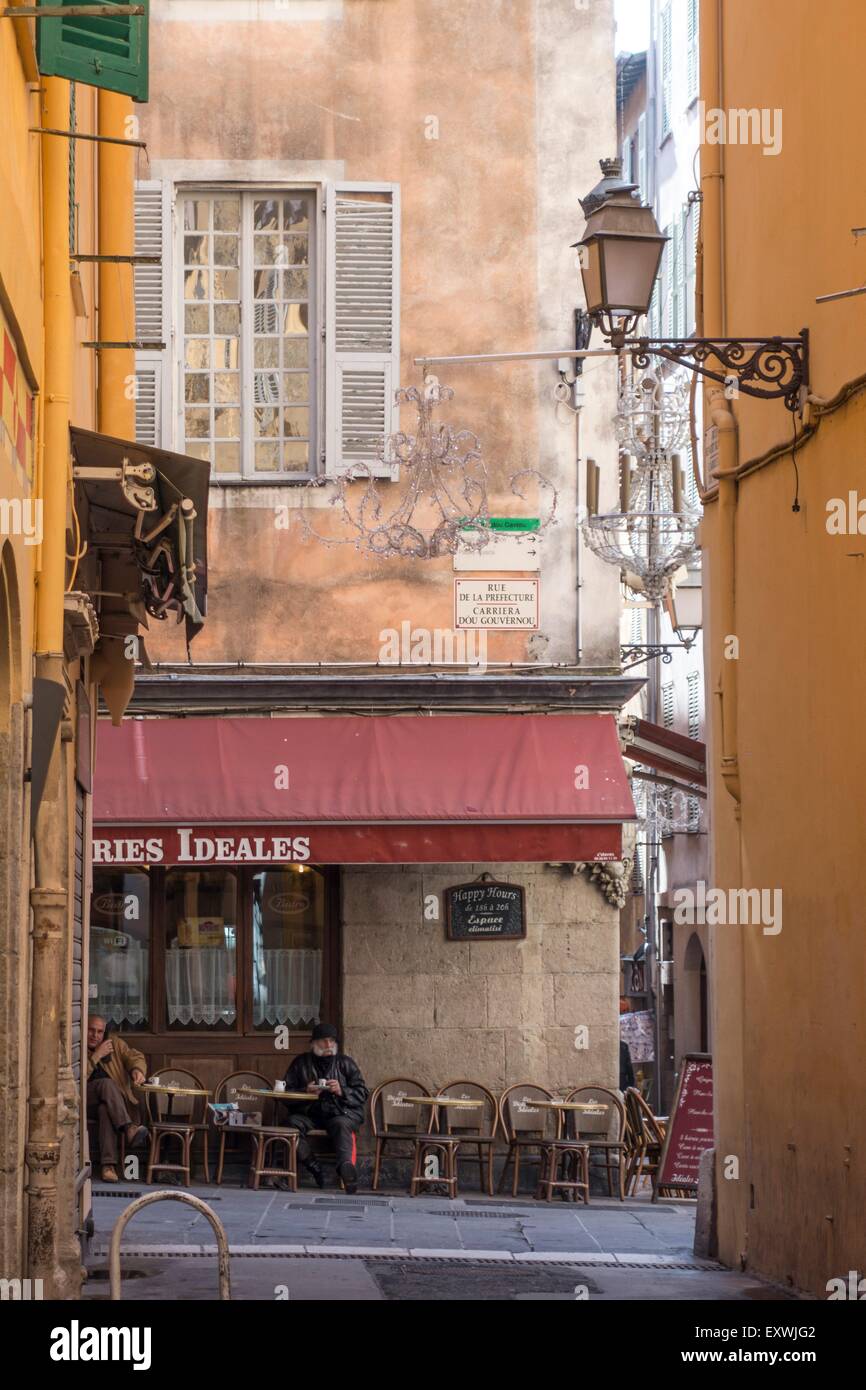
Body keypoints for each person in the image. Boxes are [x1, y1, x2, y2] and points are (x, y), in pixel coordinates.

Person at [280, 1023, 368, 1194]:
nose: (328, 1045)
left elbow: (362, 1093)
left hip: (340, 1112)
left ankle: (346, 1170)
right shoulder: (300, 1063)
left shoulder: (345, 1063)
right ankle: (314, 1166)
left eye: (331, 1041)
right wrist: (306, 1091)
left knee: (342, 1125)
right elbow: (285, 1093)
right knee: (289, 1126)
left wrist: (341, 1090)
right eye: (323, 1041)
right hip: (309, 1113)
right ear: (313, 1043)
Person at [86, 1015, 148, 1182]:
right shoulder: (76, 1046)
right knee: (106, 1083)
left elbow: (134, 1056)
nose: (95, 1035)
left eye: (99, 1032)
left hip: (112, 1105)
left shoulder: (114, 1043)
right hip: (85, 1100)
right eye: (91, 1030)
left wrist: (137, 1070)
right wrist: (96, 1056)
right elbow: (77, 1078)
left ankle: (108, 1166)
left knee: (105, 1110)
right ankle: (129, 1128)